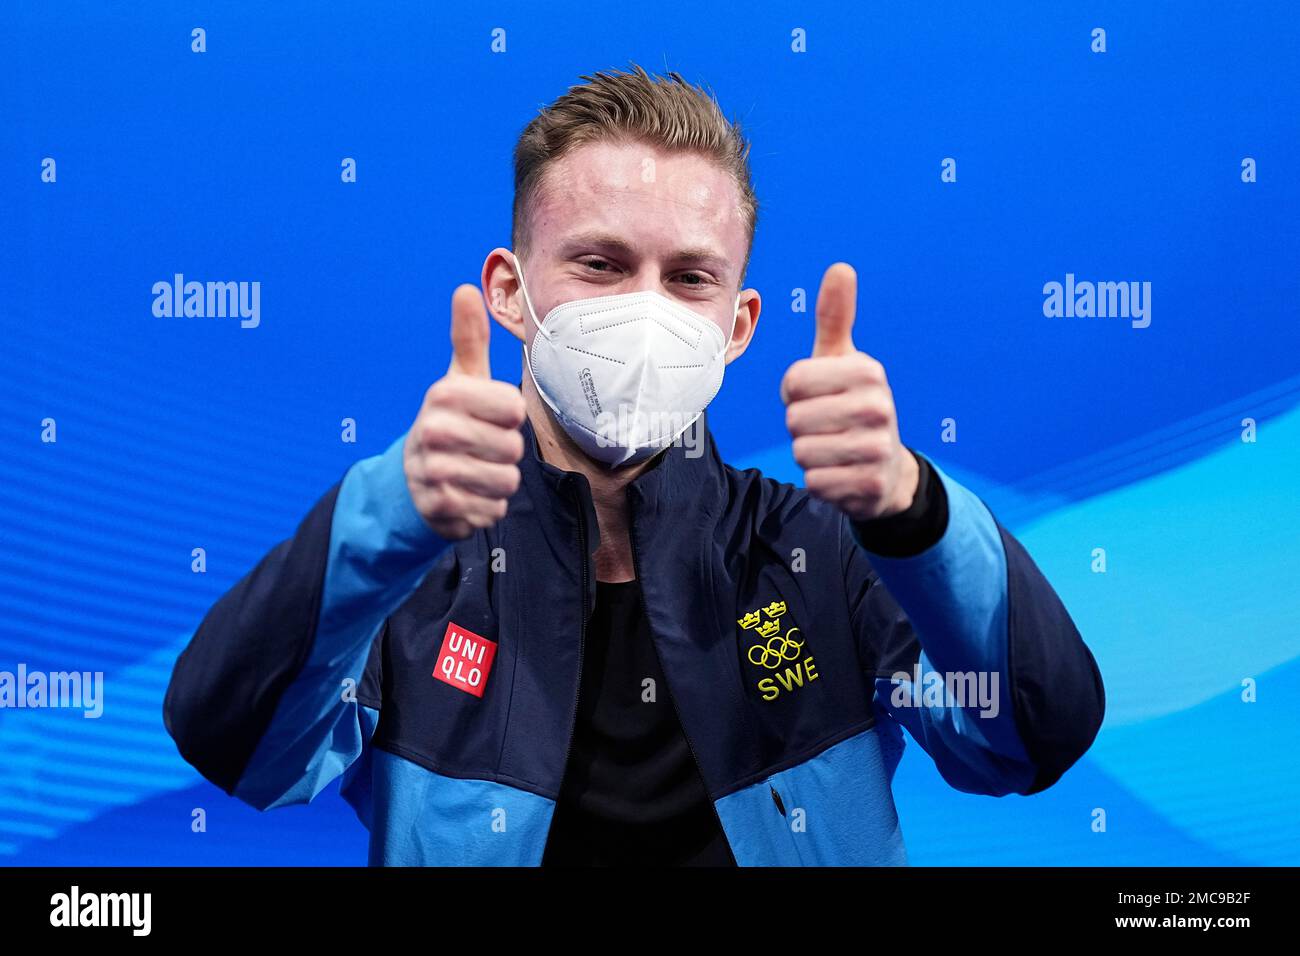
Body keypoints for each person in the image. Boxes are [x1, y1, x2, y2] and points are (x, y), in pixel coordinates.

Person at [163, 64, 1104, 866]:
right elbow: (239, 746)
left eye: (690, 276)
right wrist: (388, 512)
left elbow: (1030, 738)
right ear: (510, 292)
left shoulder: (832, 551)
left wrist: (913, 511)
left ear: (737, 327)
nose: (647, 310)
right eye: (602, 265)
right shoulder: (411, 568)